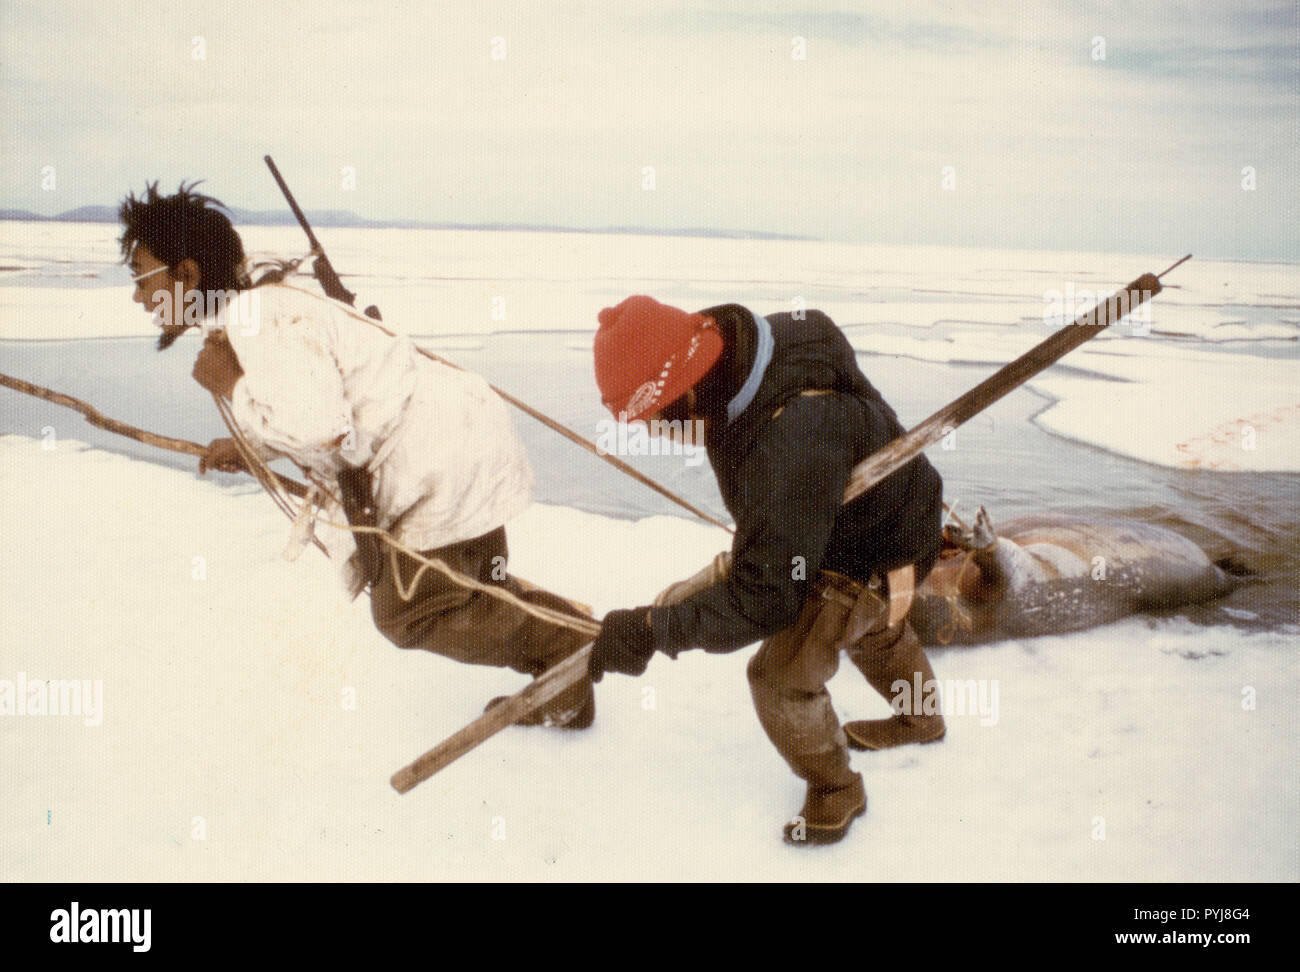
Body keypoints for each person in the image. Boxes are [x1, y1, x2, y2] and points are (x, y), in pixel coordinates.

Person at [118, 181, 593, 728]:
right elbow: (316, 403)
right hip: (456, 437)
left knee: (410, 613)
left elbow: (321, 428)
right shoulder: (267, 304)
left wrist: (235, 390)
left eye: (141, 277)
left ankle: (567, 652)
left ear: (187, 275)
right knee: (473, 581)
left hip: (436, 459)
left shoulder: (258, 319)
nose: (137, 296)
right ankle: (567, 680)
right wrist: (251, 445)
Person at [587, 295, 947, 844]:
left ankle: (835, 788)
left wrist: (653, 632)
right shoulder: (770, 342)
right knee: (875, 630)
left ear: (685, 385)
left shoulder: (790, 443)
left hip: (866, 549)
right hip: (878, 508)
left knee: (783, 676)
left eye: (654, 416)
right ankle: (922, 717)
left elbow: (765, 601)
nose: (652, 431)